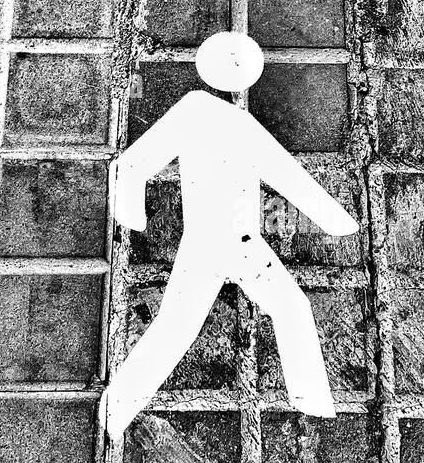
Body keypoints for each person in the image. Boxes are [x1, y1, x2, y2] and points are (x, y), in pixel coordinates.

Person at [104, 32, 359, 440]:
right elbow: (289, 177)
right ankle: (312, 403)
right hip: (225, 242)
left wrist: (133, 216)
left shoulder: (195, 112)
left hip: (227, 242)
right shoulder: (226, 121)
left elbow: (132, 164)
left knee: (187, 325)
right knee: (277, 310)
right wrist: (335, 219)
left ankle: (115, 412)